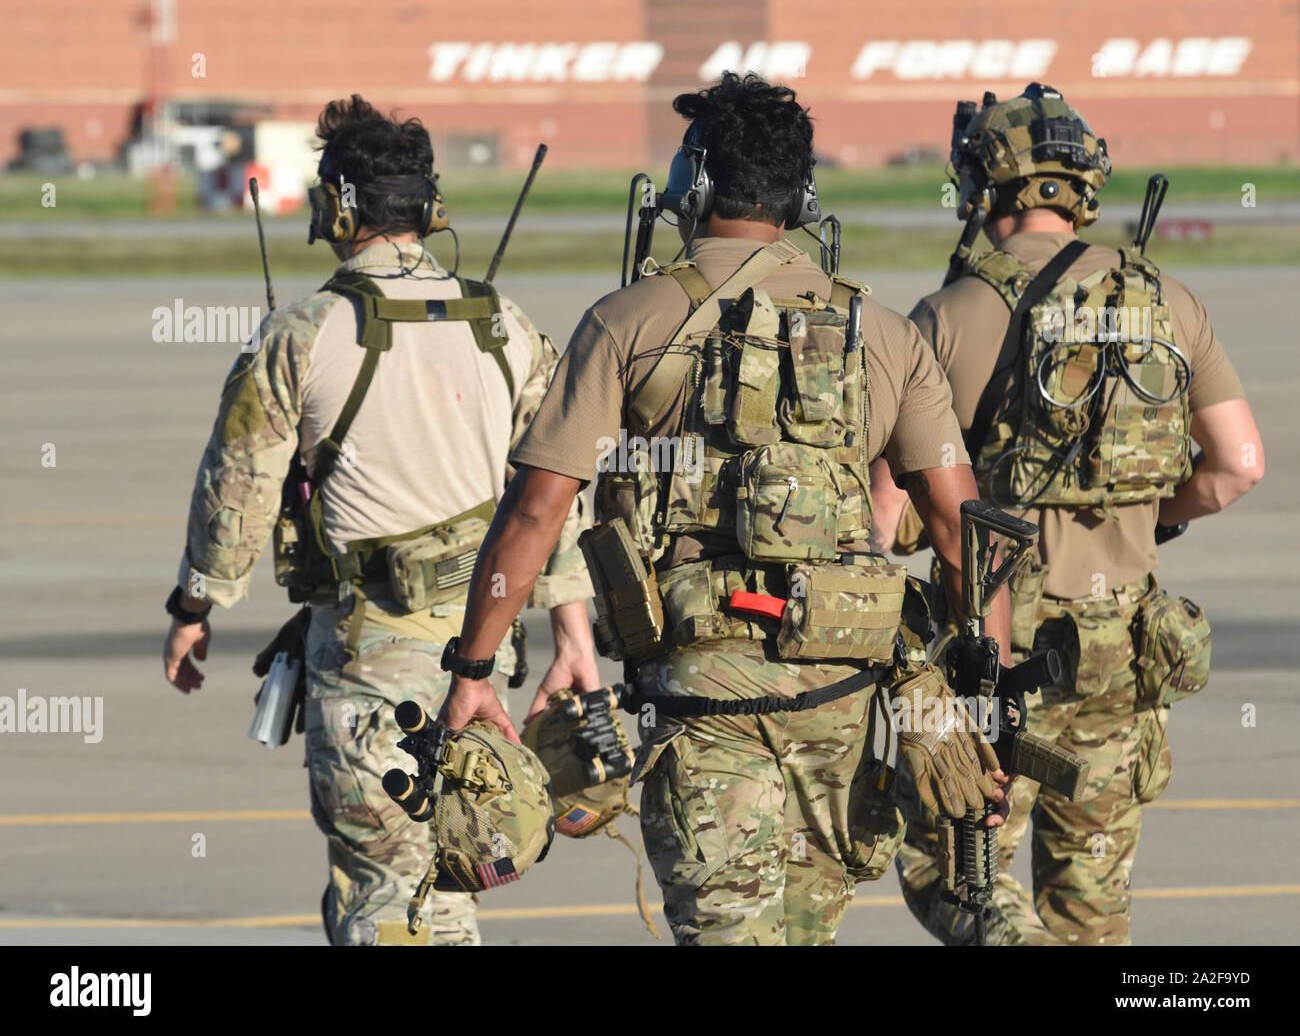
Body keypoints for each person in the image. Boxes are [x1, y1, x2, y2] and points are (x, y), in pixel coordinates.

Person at [437, 72, 1008, 946]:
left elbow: (534, 515)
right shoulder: (887, 335)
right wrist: (980, 703)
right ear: (802, 195)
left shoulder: (627, 320)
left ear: (693, 182)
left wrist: (474, 671)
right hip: (845, 709)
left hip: (706, 711)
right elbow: (965, 536)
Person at [161, 95, 596, 946]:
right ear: (430, 211)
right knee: (447, 872)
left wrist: (194, 608)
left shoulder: (304, 332)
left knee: (388, 893)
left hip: (371, 660)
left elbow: (237, 486)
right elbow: (550, 496)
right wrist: (572, 631)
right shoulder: (505, 326)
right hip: (484, 649)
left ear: (338, 208)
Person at [882, 82, 1265, 945]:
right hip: (1123, 651)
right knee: (1092, 905)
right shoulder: (1166, 301)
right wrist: (1151, 515)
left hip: (997, 651)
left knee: (952, 870)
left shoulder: (944, 317)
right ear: (1082, 185)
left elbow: (884, 514)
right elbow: (1241, 464)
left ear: (984, 185)